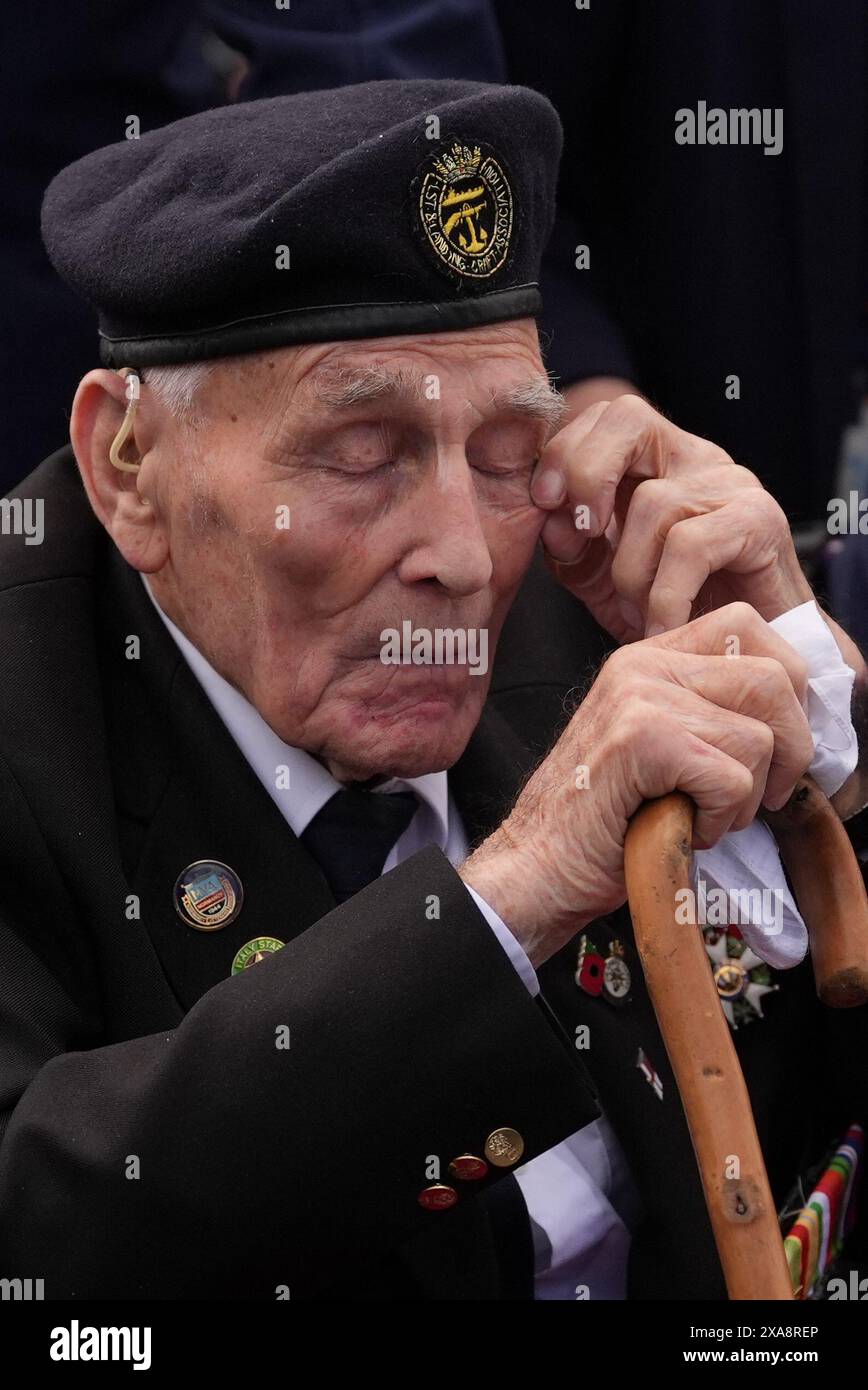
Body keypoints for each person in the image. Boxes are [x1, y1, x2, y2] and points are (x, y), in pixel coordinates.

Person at [0, 78, 865, 1300]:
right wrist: (507, 901)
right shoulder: (36, 714)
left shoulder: (609, 583)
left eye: (507, 451)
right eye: (362, 455)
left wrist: (828, 748)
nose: (463, 554)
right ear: (129, 464)